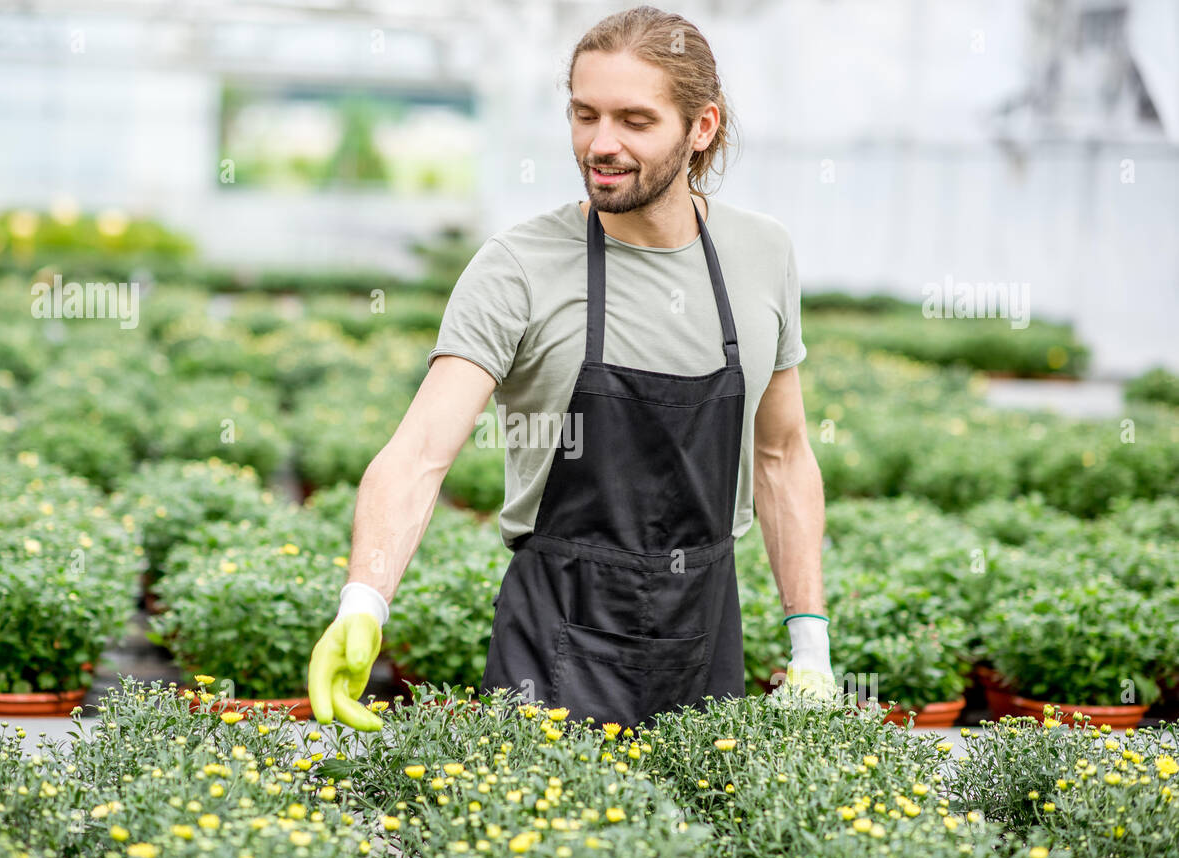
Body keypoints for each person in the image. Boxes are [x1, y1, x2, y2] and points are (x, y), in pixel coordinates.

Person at [309, 5, 836, 733]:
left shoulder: (762, 255)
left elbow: (781, 454)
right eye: (583, 114)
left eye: (634, 120)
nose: (601, 143)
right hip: (550, 641)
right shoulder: (519, 267)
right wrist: (362, 603)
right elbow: (420, 453)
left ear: (702, 128)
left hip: (706, 635)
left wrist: (811, 644)